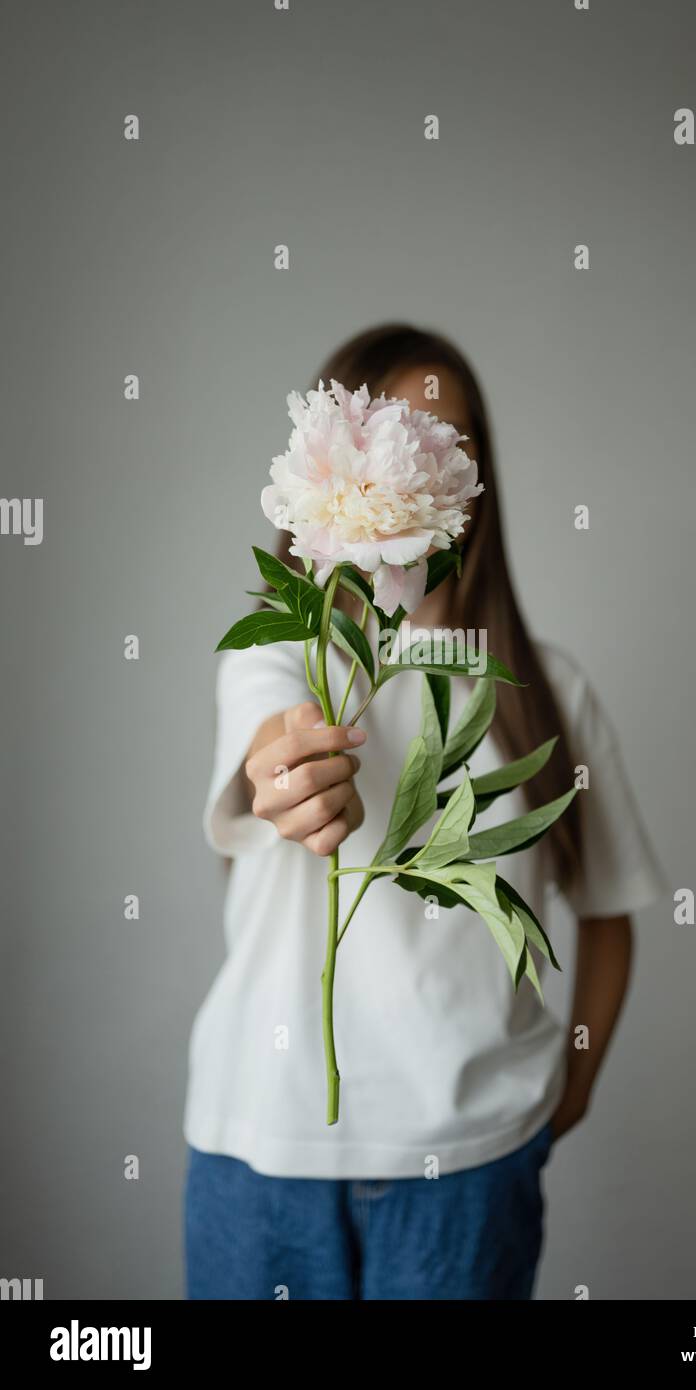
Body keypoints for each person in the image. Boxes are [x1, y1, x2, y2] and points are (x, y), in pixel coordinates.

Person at [182, 322, 667, 1300]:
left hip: (468, 1160)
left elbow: (609, 910)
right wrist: (296, 784)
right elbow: (275, 757)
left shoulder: (546, 688)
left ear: (475, 476)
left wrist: (569, 1093)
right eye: (387, 433)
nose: (416, 459)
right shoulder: (278, 651)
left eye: (447, 439)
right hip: (256, 1145)